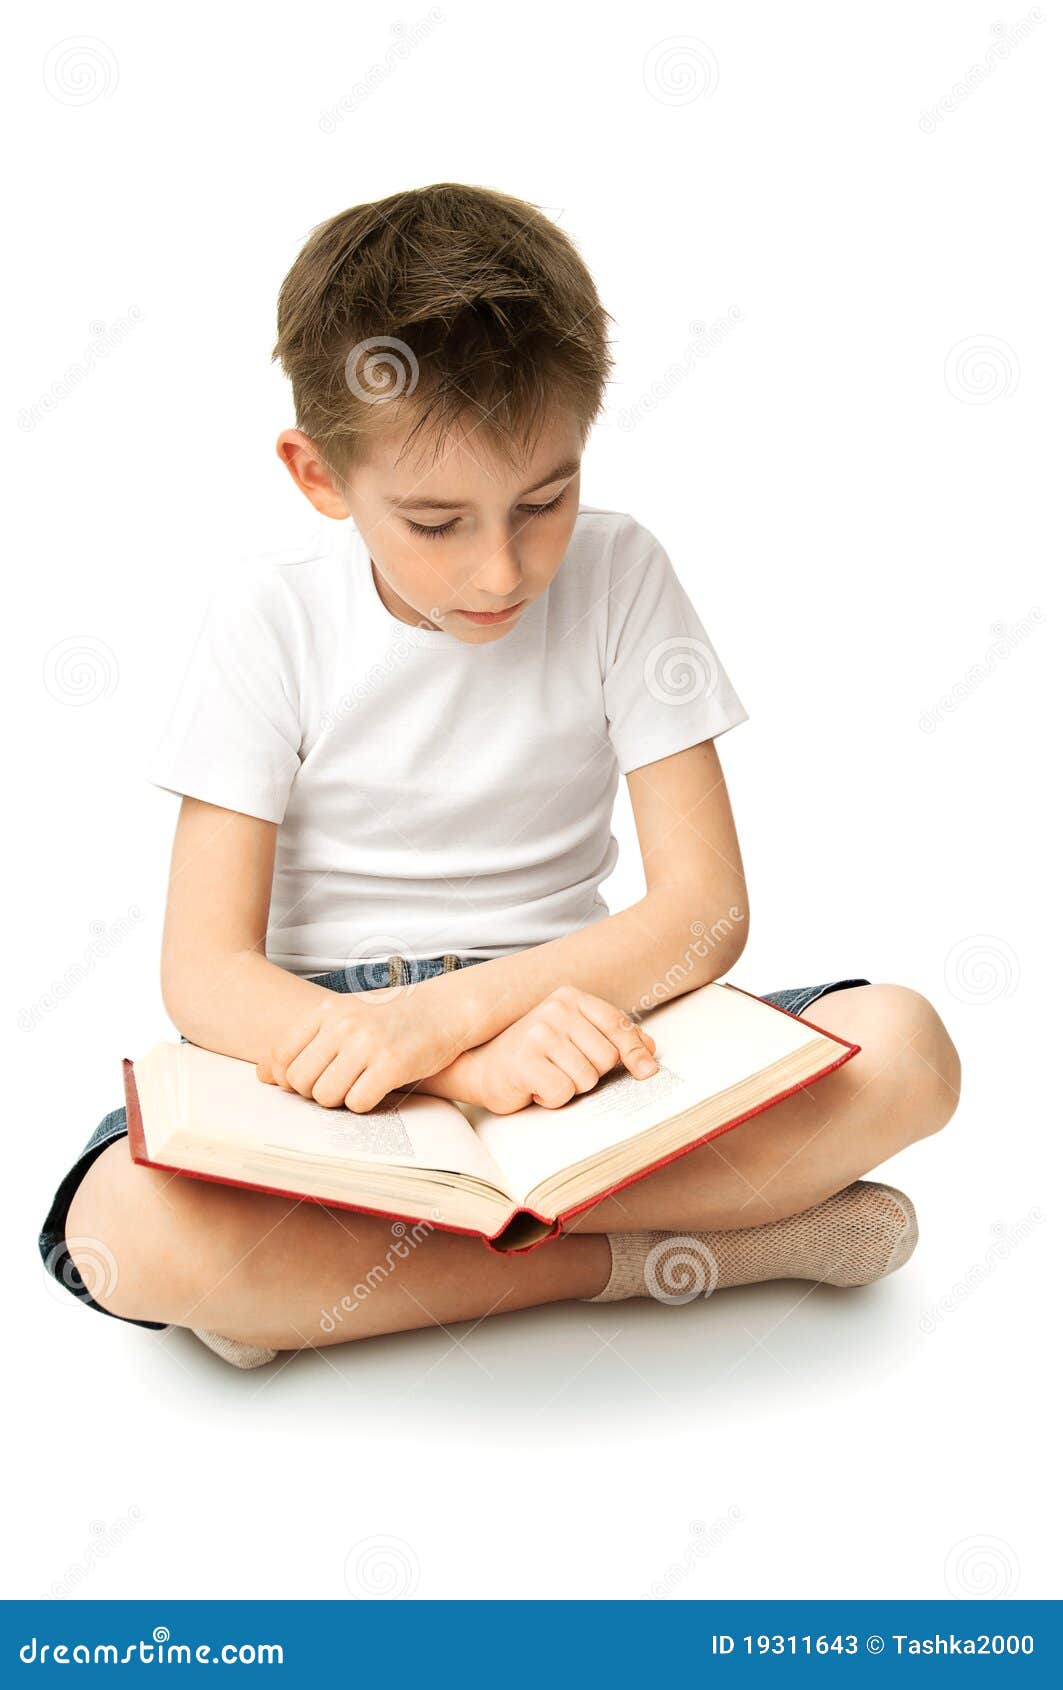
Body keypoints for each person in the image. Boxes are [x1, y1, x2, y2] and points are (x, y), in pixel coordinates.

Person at [38, 183, 961, 1369]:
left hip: (581, 1024)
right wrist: (440, 1057)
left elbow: (705, 911)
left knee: (904, 1050)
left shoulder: (624, 573)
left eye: (545, 499)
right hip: (332, 1057)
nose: (501, 568)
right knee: (121, 1226)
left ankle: (323, 1286)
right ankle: (694, 1256)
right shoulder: (269, 615)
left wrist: (476, 1011)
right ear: (318, 476)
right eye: (434, 521)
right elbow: (206, 972)